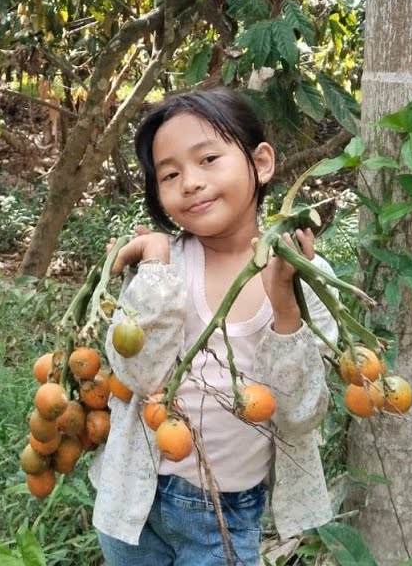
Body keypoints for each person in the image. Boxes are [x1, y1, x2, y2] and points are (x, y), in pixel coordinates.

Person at [91, 89, 340, 565]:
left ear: (260, 162)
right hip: (132, 502)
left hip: (223, 515)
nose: (190, 182)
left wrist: (286, 308)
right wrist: (157, 265)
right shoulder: (162, 269)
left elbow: (301, 413)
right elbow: (137, 377)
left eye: (208, 158)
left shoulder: (308, 275)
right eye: (170, 174)